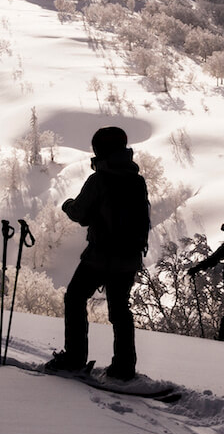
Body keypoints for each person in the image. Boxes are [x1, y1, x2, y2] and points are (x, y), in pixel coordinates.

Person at [46, 127, 150, 381]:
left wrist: (67, 204)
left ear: (100, 150)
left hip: (100, 256)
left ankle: (74, 359)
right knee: (120, 310)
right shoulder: (137, 180)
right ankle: (124, 368)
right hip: (129, 258)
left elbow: (80, 213)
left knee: (75, 298)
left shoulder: (100, 180)